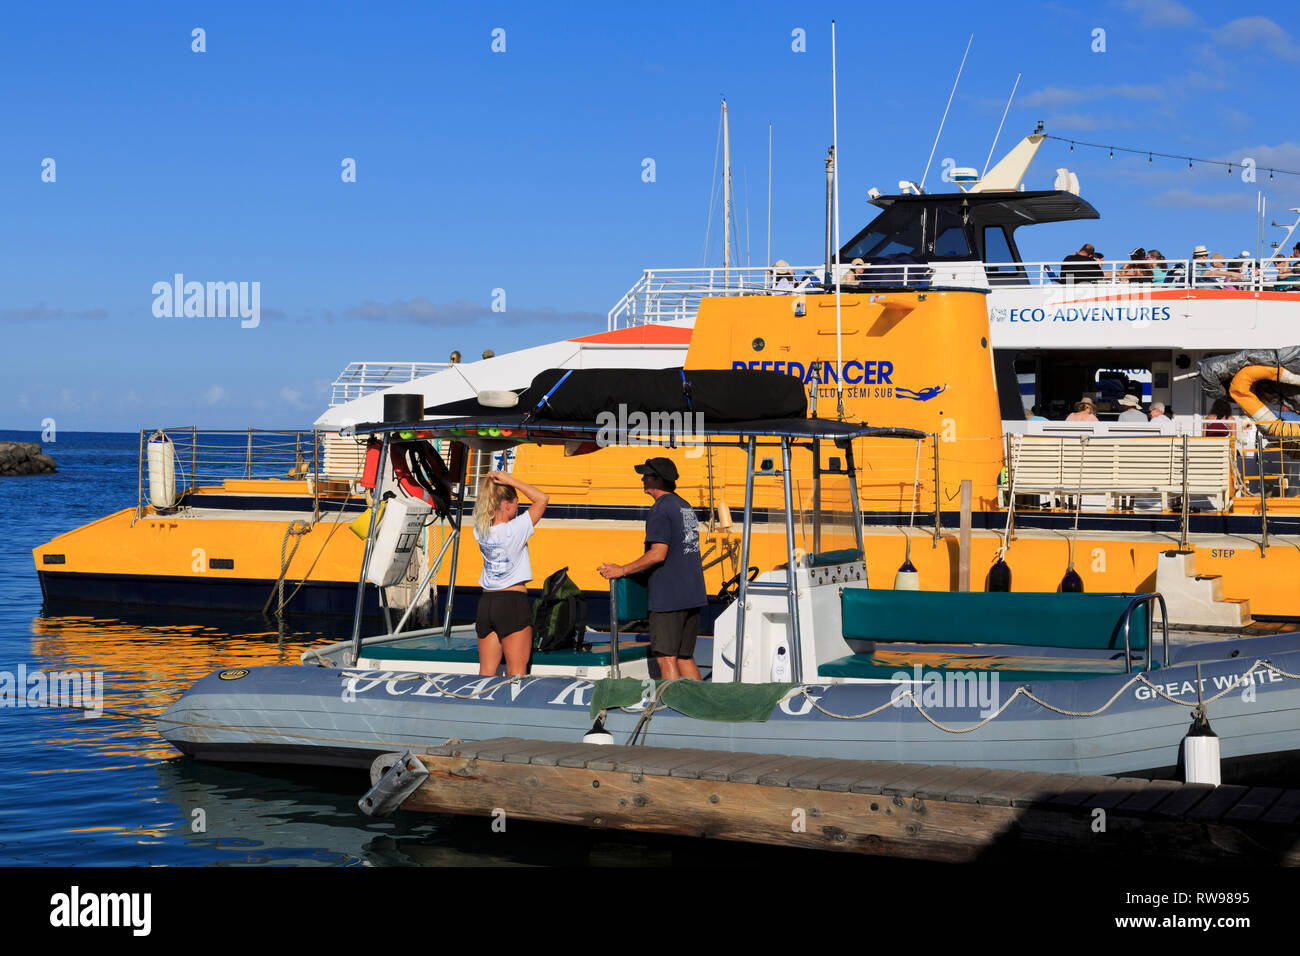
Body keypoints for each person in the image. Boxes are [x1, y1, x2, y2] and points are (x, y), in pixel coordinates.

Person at [598, 457, 706, 680]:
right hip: (693, 593)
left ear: (658, 479)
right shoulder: (684, 506)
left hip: (669, 596)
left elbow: (658, 553)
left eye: (647, 475)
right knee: (685, 656)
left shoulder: (660, 509)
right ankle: (699, 707)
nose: (642, 479)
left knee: (666, 657)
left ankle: (674, 709)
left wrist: (622, 570)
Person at [472, 470, 549, 677]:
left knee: (486, 673)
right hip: (512, 602)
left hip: (486, 603)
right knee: (517, 674)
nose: (518, 508)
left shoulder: (480, 530)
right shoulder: (515, 529)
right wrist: (510, 480)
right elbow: (542, 499)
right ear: (506, 505)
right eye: (516, 503)